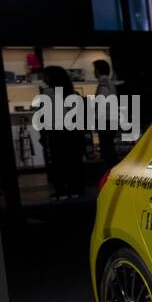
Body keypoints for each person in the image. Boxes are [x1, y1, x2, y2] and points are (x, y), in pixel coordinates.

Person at [41, 66, 85, 199]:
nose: (44, 78)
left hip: (57, 132)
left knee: (58, 161)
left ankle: (61, 189)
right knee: (73, 161)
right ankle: (75, 188)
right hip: (72, 131)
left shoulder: (48, 92)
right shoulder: (72, 93)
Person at [93, 59, 119, 168]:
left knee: (106, 148)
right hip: (111, 119)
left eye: (94, 69)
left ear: (98, 70)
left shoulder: (103, 85)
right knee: (109, 147)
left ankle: (109, 169)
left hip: (105, 120)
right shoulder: (109, 83)